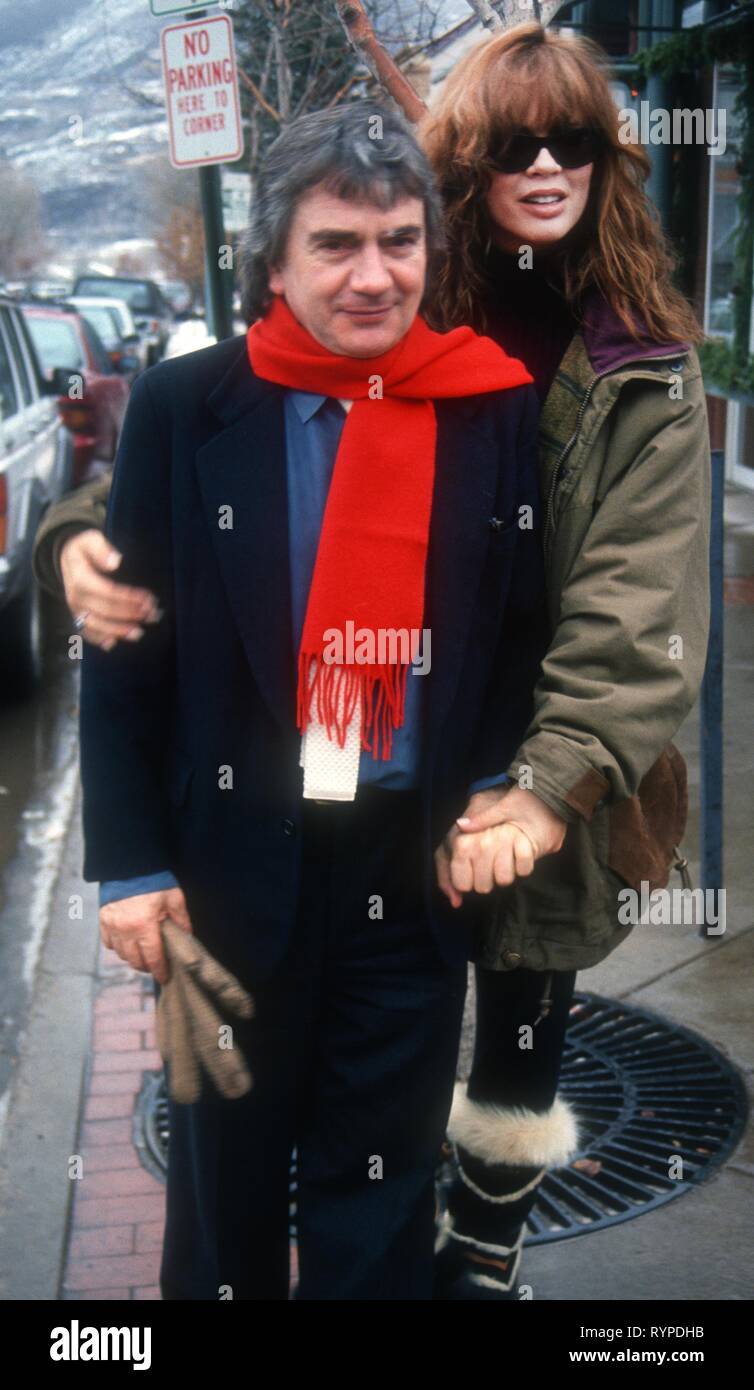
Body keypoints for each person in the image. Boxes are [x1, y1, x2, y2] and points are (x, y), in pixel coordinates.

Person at [74, 101, 549, 1301]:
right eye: (336, 244)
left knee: (379, 1199)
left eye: (400, 240)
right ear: (275, 260)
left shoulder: (488, 405)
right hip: (227, 874)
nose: (374, 274)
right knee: (225, 1195)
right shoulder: (187, 411)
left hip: (406, 869)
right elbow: (124, 652)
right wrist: (129, 867)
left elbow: (518, 625)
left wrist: (493, 783)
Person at [418, 21, 711, 1298]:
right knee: (387, 1002)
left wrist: (552, 780)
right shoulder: (400, 305)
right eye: (511, 142)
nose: (547, 164)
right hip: (395, 736)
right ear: (465, 163)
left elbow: (639, 604)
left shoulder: (645, 357)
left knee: (523, 1020)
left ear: (606, 157)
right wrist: (92, 543)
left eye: (574, 138)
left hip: (553, 753)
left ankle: (484, 1256)